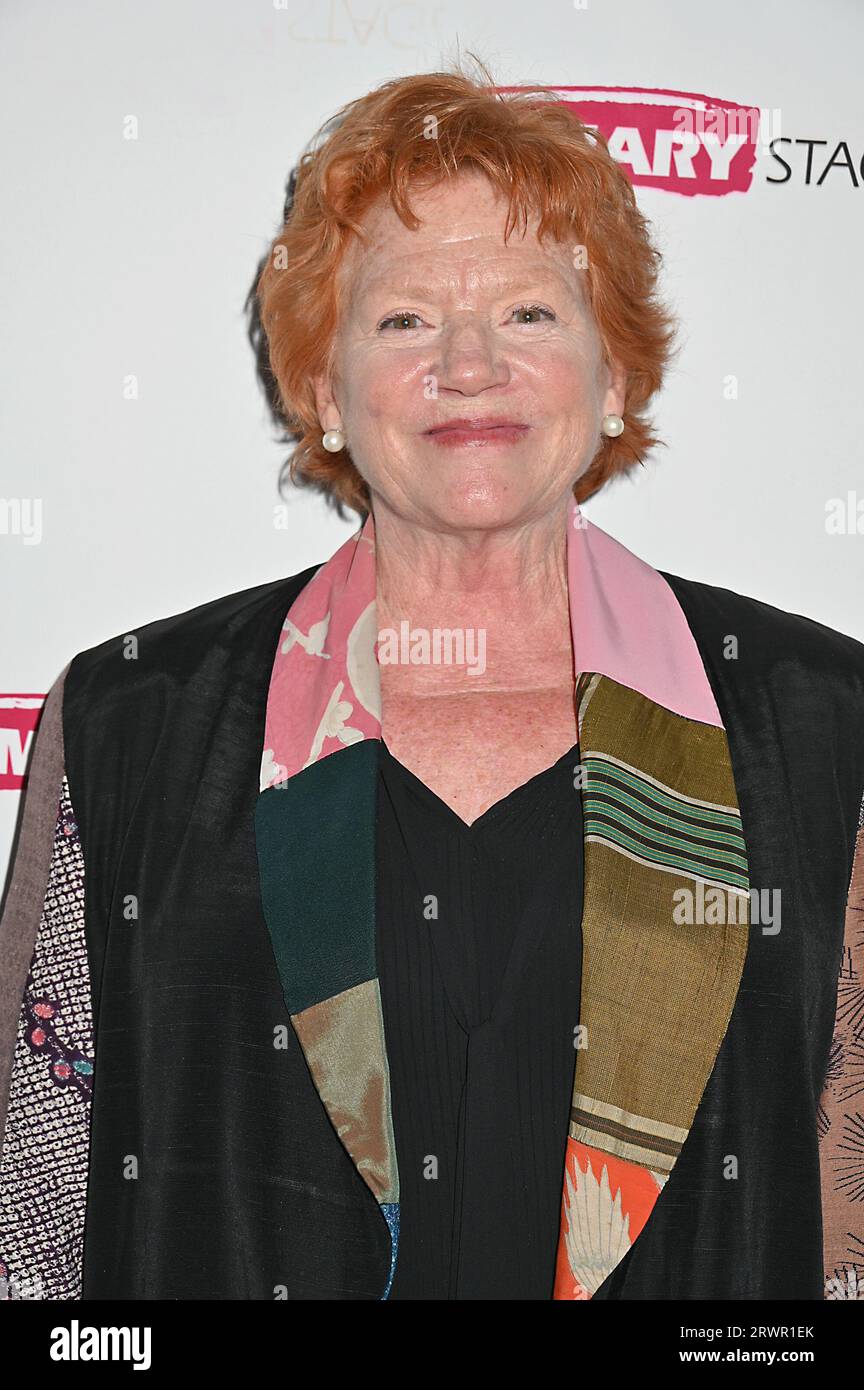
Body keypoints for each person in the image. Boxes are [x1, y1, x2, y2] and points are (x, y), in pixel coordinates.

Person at [1, 63, 863, 1302]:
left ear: (612, 378)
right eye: (404, 320)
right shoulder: (135, 719)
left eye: (528, 313)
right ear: (325, 392)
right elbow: (34, 1222)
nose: (469, 366)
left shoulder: (819, 722)